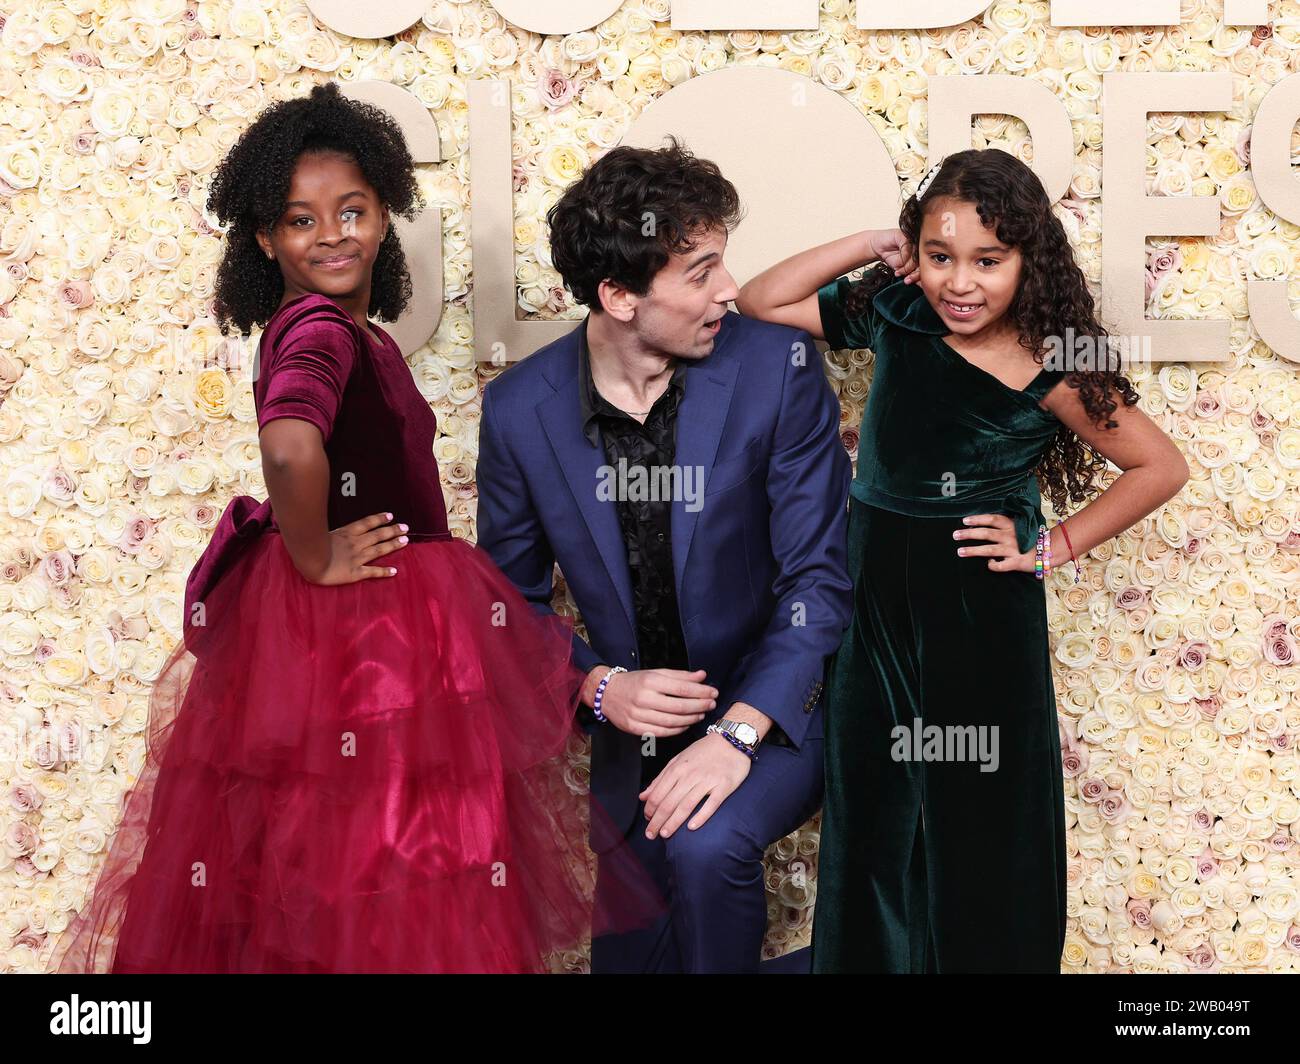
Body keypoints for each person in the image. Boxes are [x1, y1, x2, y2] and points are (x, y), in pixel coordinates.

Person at [46, 82, 653, 974]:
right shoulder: (320, 331)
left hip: (353, 637)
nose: (330, 234)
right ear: (265, 240)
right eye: (300, 220)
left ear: (384, 216)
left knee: (341, 864)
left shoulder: (347, 332)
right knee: (395, 864)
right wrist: (316, 552)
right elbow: (291, 451)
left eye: (352, 210)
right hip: (371, 639)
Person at [737, 148, 1189, 973]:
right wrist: (876, 241)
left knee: (980, 812)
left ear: (1030, 258)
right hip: (875, 609)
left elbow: (1162, 466)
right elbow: (763, 299)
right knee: (876, 807)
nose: (960, 282)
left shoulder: (1055, 364)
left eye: (988, 260)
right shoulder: (897, 314)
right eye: (940, 256)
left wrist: (1052, 545)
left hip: (981, 615)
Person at [475, 137, 852, 973]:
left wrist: (740, 733)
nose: (730, 290)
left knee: (704, 845)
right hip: (631, 745)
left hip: (785, 706)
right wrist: (596, 685)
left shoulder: (777, 367)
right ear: (618, 295)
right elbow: (504, 604)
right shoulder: (519, 412)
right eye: (700, 271)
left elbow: (818, 577)